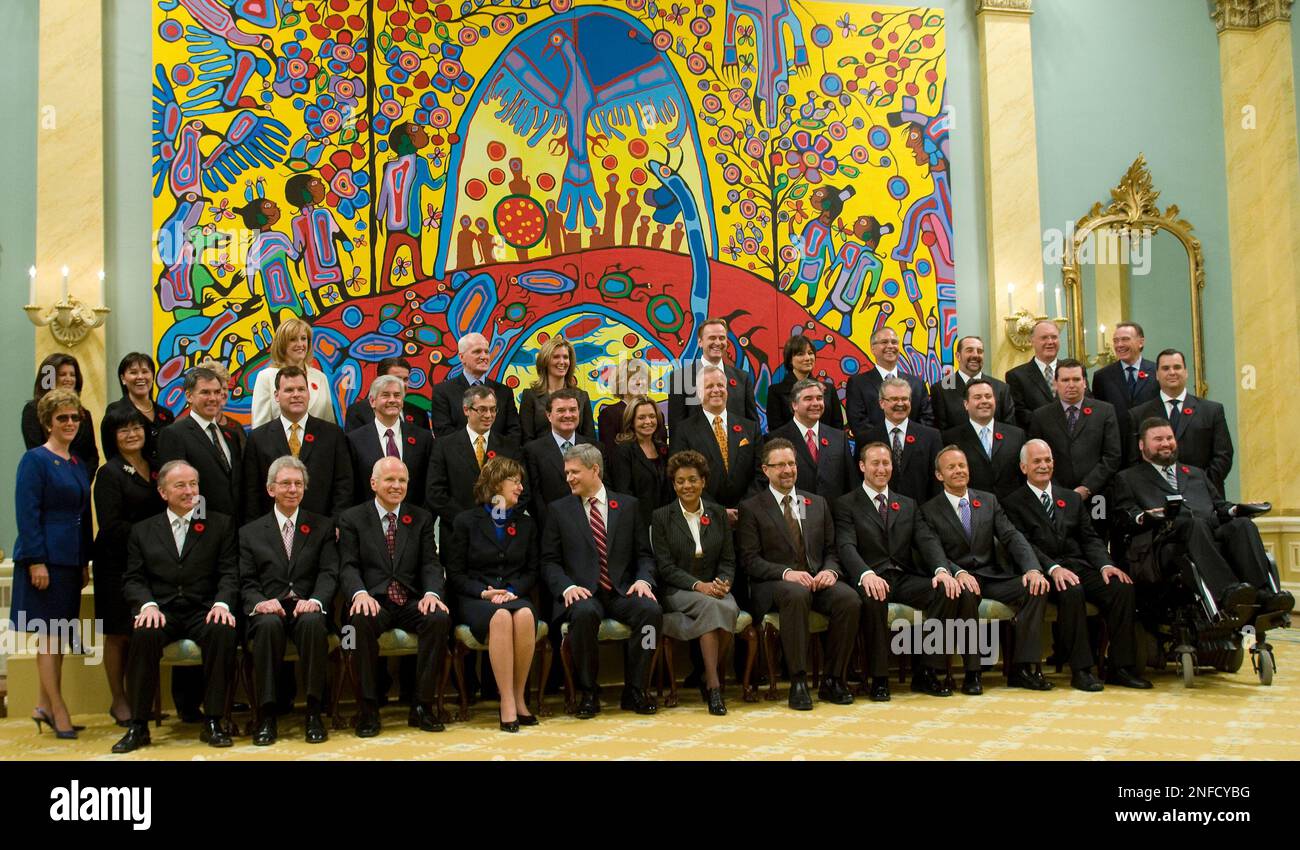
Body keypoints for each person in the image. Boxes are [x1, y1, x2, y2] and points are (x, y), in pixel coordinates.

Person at [1001, 439, 1151, 691]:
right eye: (1037, 461)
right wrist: (1052, 568)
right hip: (1043, 570)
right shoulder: (1012, 502)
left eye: (1047, 460)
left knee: (1121, 588)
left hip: (1078, 566)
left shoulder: (1070, 498)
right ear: (1023, 467)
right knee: (1072, 591)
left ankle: (1120, 667)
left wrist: (1105, 565)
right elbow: (1023, 545)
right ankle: (1081, 670)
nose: (1043, 465)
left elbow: (1089, 538)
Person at [111, 461, 239, 753]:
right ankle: (139, 726)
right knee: (143, 633)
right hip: (162, 611)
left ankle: (214, 721)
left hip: (203, 609)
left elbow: (230, 573)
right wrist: (147, 606)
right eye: (180, 485)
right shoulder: (143, 531)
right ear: (162, 492)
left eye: (193, 484)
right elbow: (133, 579)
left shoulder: (219, 524)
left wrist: (222, 603)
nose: (189, 491)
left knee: (223, 629)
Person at [1112, 419, 1292, 616]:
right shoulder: (1128, 478)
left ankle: (1263, 593)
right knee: (1193, 524)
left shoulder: (1195, 473)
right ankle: (1227, 591)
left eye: (1169, 438)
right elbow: (1126, 515)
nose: (1165, 443)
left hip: (1209, 533)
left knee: (1243, 525)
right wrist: (1144, 516)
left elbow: (1220, 506)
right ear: (1142, 445)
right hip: (1166, 544)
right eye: (1158, 439)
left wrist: (1238, 510)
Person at [736, 439, 859, 710]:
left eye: (791, 463)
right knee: (796, 593)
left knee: (849, 600)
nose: (787, 470)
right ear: (765, 470)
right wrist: (787, 573)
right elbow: (749, 560)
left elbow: (831, 550)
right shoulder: (752, 507)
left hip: (816, 580)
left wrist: (830, 571)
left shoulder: (814, 503)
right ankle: (798, 680)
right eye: (779, 465)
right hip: (774, 586)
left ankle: (832, 679)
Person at [917, 446, 1051, 695]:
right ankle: (972, 673)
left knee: (1036, 587)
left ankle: (1021, 669)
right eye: (951, 467)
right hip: (961, 578)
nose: (959, 471)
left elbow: (1012, 536)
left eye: (962, 466)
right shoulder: (929, 510)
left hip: (992, 576)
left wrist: (1032, 569)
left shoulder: (988, 500)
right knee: (964, 594)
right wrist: (957, 572)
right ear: (939, 475)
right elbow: (933, 551)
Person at [540, 444, 661, 718]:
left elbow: (644, 555)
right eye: (566, 472)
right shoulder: (559, 510)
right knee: (583, 615)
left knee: (651, 613)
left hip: (621, 591)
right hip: (583, 593)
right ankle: (588, 691)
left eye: (574, 472)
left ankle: (636, 689)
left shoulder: (628, 506)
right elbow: (549, 561)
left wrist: (644, 580)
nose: (568, 478)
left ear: (594, 470)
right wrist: (567, 587)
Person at [834, 442, 962, 700]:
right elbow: (846, 546)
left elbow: (926, 540)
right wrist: (866, 574)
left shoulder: (907, 504)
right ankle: (879, 678)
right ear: (862, 466)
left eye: (886, 463)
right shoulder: (846, 504)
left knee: (945, 592)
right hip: (868, 578)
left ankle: (926, 671)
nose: (882, 468)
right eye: (875, 463)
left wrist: (941, 570)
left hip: (902, 578)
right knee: (874, 597)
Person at [338, 457, 451, 737]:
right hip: (373, 601)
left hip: (410, 600)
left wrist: (432, 594)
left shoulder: (420, 517)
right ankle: (368, 709)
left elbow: (430, 563)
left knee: (438, 617)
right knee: (355, 623)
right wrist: (360, 593)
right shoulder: (352, 518)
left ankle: (422, 706)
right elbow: (347, 565)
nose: (396, 485)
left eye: (402, 480)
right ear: (374, 483)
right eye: (389, 480)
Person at [239, 456, 339, 745]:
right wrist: (259, 602)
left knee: (312, 623)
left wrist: (318, 600)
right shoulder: (251, 532)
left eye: (298, 484)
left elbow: (329, 572)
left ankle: (313, 712)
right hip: (269, 608)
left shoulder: (321, 527)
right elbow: (246, 580)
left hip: (307, 606)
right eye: (285, 484)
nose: (293, 489)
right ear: (271, 489)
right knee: (268, 625)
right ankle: (267, 715)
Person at [11, 388, 93, 739]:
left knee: (60, 635)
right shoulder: (34, 460)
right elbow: (27, 514)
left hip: (71, 560)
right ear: (48, 422)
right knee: (48, 636)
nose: (70, 423)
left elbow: (83, 515)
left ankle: (43, 705)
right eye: (62, 418)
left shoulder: (77, 463)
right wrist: (36, 561)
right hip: (43, 559)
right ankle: (58, 709)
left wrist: (85, 559)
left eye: (75, 417)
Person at [444, 457, 540, 732]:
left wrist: (511, 591)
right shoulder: (466, 521)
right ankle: (506, 701)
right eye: (515, 481)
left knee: (523, 615)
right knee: (499, 617)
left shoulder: (526, 524)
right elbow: (456, 573)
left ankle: (520, 697)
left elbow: (532, 571)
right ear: (497, 483)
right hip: (476, 598)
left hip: (513, 595)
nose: (521, 487)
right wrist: (484, 593)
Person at [650, 451, 740, 716]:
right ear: (674, 484)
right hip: (678, 590)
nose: (686, 486)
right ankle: (713, 687)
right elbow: (665, 567)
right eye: (680, 481)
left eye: (692, 480)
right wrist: (699, 586)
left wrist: (723, 583)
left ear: (703, 482)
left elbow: (728, 559)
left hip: (714, 588)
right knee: (715, 608)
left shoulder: (718, 514)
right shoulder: (662, 516)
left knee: (728, 607)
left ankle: (703, 675)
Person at [93, 406, 165, 727]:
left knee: (140, 632)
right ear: (113, 437)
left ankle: (141, 697)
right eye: (123, 430)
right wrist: (151, 537)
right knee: (118, 633)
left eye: (136, 427)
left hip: (148, 563)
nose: (132, 434)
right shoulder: (109, 473)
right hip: (115, 562)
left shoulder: (154, 467)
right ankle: (118, 699)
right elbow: (110, 526)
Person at [243, 366, 352, 518]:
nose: (296, 395)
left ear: (308, 393)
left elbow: (344, 485)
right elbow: (251, 492)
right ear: (276, 395)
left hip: (323, 529)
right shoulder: (258, 438)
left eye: (301, 389)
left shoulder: (332, 435)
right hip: (271, 533)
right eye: (289, 390)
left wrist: (337, 522)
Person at [1126, 348, 1233, 493]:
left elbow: (1223, 455)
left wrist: (1199, 484)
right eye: (1165, 368)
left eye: (1177, 367)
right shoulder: (1138, 414)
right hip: (1154, 494)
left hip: (1205, 494)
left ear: (1186, 372)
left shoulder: (1212, 411)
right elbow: (1134, 460)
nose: (1172, 372)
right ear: (1157, 374)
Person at [667, 365, 762, 524]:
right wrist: (717, 511)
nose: (716, 390)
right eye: (709, 386)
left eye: (720, 385)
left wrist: (744, 507)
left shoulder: (750, 428)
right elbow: (680, 476)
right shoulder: (684, 431)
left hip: (747, 517)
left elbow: (761, 472)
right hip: (704, 519)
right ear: (698, 393)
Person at [1027, 359, 1121, 508]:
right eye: (1065, 380)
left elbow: (1112, 456)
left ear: (1084, 382)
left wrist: (1086, 488)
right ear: (1055, 384)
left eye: (1076, 379)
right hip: (1056, 497)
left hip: (1098, 496)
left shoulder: (1105, 411)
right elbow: (1036, 457)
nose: (1071, 385)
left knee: (1098, 529)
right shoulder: (1041, 416)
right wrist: (1060, 492)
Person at [428, 384, 520, 533]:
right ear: (466, 410)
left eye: (493, 409)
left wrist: (500, 519)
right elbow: (435, 493)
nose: (489, 415)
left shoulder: (509, 447)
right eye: (482, 409)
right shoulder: (444, 446)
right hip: (456, 531)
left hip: (499, 532)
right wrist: (467, 521)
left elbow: (522, 491)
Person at [157, 366, 243, 521]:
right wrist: (200, 522)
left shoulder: (231, 436)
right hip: (201, 528)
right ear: (189, 396)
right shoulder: (174, 434)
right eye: (205, 392)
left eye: (217, 392)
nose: (213, 398)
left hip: (235, 527)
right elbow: (176, 489)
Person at [346, 374, 433, 510]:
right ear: (372, 401)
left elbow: (430, 484)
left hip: (415, 521)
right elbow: (349, 487)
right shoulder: (354, 440)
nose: (392, 400)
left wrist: (425, 518)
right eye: (386, 395)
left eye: (397, 395)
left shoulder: (423, 438)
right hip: (367, 521)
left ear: (402, 401)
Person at [521, 389, 603, 529]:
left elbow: (603, 488)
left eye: (573, 410)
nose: (568, 415)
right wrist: (551, 524)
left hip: (592, 527)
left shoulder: (596, 447)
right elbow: (534, 495)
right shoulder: (532, 451)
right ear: (548, 415)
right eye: (561, 410)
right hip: (550, 528)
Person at [767, 378, 857, 500]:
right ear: (794, 405)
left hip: (834, 514)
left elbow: (851, 483)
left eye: (819, 398)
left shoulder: (839, 438)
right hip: (796, 513)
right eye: (808, 399)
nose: (816, 403)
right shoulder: (775, 439)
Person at [666, 318, 758, 437]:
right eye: (712, 338)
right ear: (700, 342)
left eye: (722, 338)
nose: (718, 342)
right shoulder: (680, 378)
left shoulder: (742, 378)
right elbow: (676, 428)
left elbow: (752, 424)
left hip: (738, 453)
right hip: (697, 454)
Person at [940, 377, 1026, 497]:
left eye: (988, 396)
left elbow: (1023, 477)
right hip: (974, 508)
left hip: (1012, 508)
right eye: (977, 397)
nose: (984, 401)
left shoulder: (1016, 435)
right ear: (966, 404)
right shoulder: (951, 438)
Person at [859, 376, 942, 501]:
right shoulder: (866, 438)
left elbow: (937, 481)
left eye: (905, 399)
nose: (900, 404)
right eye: (894, 399)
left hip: (922, 512)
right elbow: (860, 480)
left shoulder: (931, 437)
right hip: (880, 512)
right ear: (882, 403)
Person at [845, 326, 934, 439]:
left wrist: (906, 442)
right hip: (874, 450)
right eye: (884, 342)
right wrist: (888, 443)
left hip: (914, 449)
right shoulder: (858, 383)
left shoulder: (917, 384)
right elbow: (858, 422)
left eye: (894, 342)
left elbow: (927, 419)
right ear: (873, 348)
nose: (890, 346)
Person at [1090, 323, 1158, 466]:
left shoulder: (1156, 371)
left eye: (1125, 339)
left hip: (1151, 449)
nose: (1119, 345)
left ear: (1141, 342)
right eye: (1116, 340)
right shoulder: (1102, 377)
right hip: (1117, 452)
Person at [429, 333, 520, 440]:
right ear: (462, 357)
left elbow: (514, 432)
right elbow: (443, 432)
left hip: (498, 455)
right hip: (458, 455)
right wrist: (476, 446)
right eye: (477, 352)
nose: (484, 356)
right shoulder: (443, 391)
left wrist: (491, 451)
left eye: (486, 352)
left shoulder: (504, 392)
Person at [250, 318, 336, 427]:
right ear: (282, 344)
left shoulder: (320, 377)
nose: (300, 344)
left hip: (318, 443)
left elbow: (329, 423)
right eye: (293, 339)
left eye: (303, 338)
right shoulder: (266, 376)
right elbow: (260, 427)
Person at [22, 353, 98, 475]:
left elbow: (91, 457)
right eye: (63, 374)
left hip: (79, 484)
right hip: (48, 480)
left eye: (72, 375)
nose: (69, 379)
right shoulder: (33, 410)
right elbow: (36, 449)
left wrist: (79, 482)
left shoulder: (84, 414)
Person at [608, 396, 672, 532]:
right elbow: (623, 493)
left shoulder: (664, 449)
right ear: (631, 421)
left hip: (666, 522)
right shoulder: (623, 451)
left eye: (652, 416)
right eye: (641, 417)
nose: (648, 421)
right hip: (638, 525)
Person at [518, 336, 595, 443]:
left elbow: (590, 439)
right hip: (541, 457)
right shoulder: (530, 396)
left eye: (565, 357)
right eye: (556, 357)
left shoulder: (582, 396)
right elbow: (526, 440)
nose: (562, 362)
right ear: (545, 361)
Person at [929, 335, 1015, 432]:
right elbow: (940, 431)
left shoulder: (1001, 388)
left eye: (980, 351)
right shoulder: (941, 388)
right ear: (958, 356)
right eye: (969, 350)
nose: (975, 355)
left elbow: (1009, 429)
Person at [100, 352, 173, 465]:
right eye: (133, 372)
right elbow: (111, 452)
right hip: (129, 479)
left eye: (145, 372)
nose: (140, 377)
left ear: (153, 376)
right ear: (123, 378)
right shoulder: (115, 411)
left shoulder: (166, 414)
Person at [766, 334, 843, 432]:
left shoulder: (828, 389)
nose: (807, 358)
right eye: (800, 354)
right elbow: (776, 430)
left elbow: (837, 428)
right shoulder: (776, 391)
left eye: (810, 353)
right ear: (790, 360)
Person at [1005, 320, 1071, 430]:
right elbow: (1020, 413)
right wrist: (1053, 424)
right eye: (1044, 338)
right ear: (1032, 341)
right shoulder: (1016, 376)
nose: (1050, 342)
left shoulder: (1073, 371)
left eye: (1054, 337)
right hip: (1037, 438)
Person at [597, 357, 665, 455]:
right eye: (633, 379)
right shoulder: (609, 415)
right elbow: (609, 454)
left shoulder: (657, 413)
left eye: (642, 378)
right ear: (621, 384)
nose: (639, 382)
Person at [344, 357, 431, 432]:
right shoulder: (358, 412)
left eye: (405, 379)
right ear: (381, 380)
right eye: (396, 379)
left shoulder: (419, 414)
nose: (402, 384)